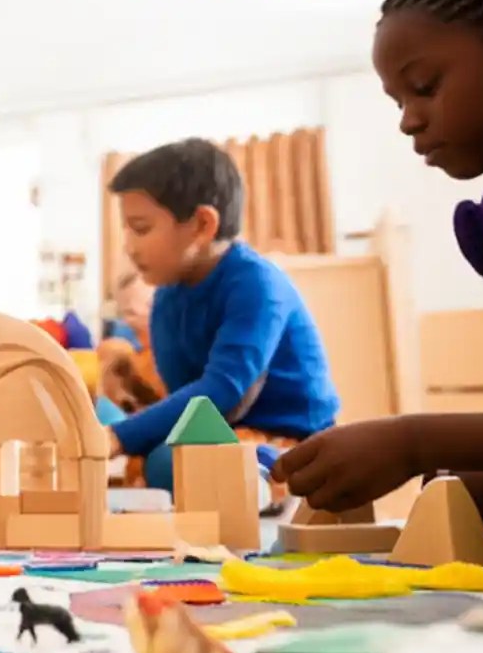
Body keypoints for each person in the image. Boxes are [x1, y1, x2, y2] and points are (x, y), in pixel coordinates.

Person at [274, 0, 483, 558]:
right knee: (456, 494)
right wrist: (419, 451)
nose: (409, 122)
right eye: (398, 102)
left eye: (425, 88)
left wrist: (413, 438)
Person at [104, 138, 341, 514]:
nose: (129, 248)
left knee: (172, 464)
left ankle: (259, 488)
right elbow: (184, 397)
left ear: (201, 225)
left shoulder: (257, 284)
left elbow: (224, 392)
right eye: (127, 231)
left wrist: (119, 436)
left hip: (287, 438)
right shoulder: (168, 296)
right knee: (121, 431)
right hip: (216, 429)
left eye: (141, 228)